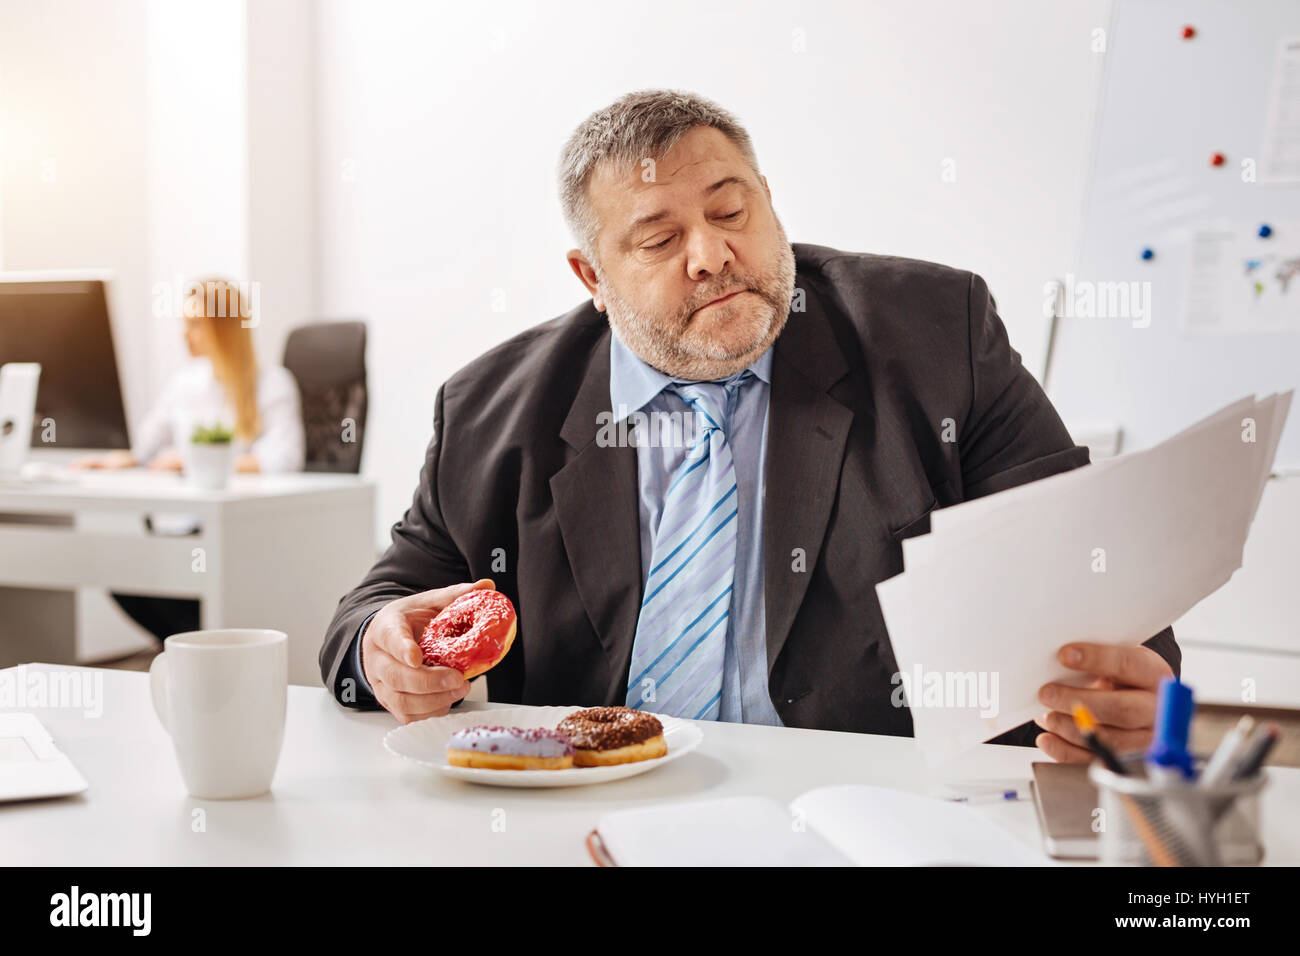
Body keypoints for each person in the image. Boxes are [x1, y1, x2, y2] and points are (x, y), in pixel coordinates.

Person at [319, 90, 1180, 763]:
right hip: (581, 814)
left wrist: (1131, 694)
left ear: (767, 201)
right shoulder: (490, 408)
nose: (711, 253)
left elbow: (1086, 570)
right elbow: (376, 607)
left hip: (859, 813)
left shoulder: (933, 333)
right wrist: (379, 647)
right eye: (658, 239)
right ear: (592, 274)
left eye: (730, 213)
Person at [76, 278, 305, 639]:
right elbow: (146, 445)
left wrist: (193, 460)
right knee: (120, 571)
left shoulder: (273, 383)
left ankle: (199, 648)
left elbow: (283, 459)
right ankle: (186, 649)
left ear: (225, 326)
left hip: (237, 533)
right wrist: (116, 458)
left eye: (196, 324)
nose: (186, 335)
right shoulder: (184, 384)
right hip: (177, 526)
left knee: (194, 599)